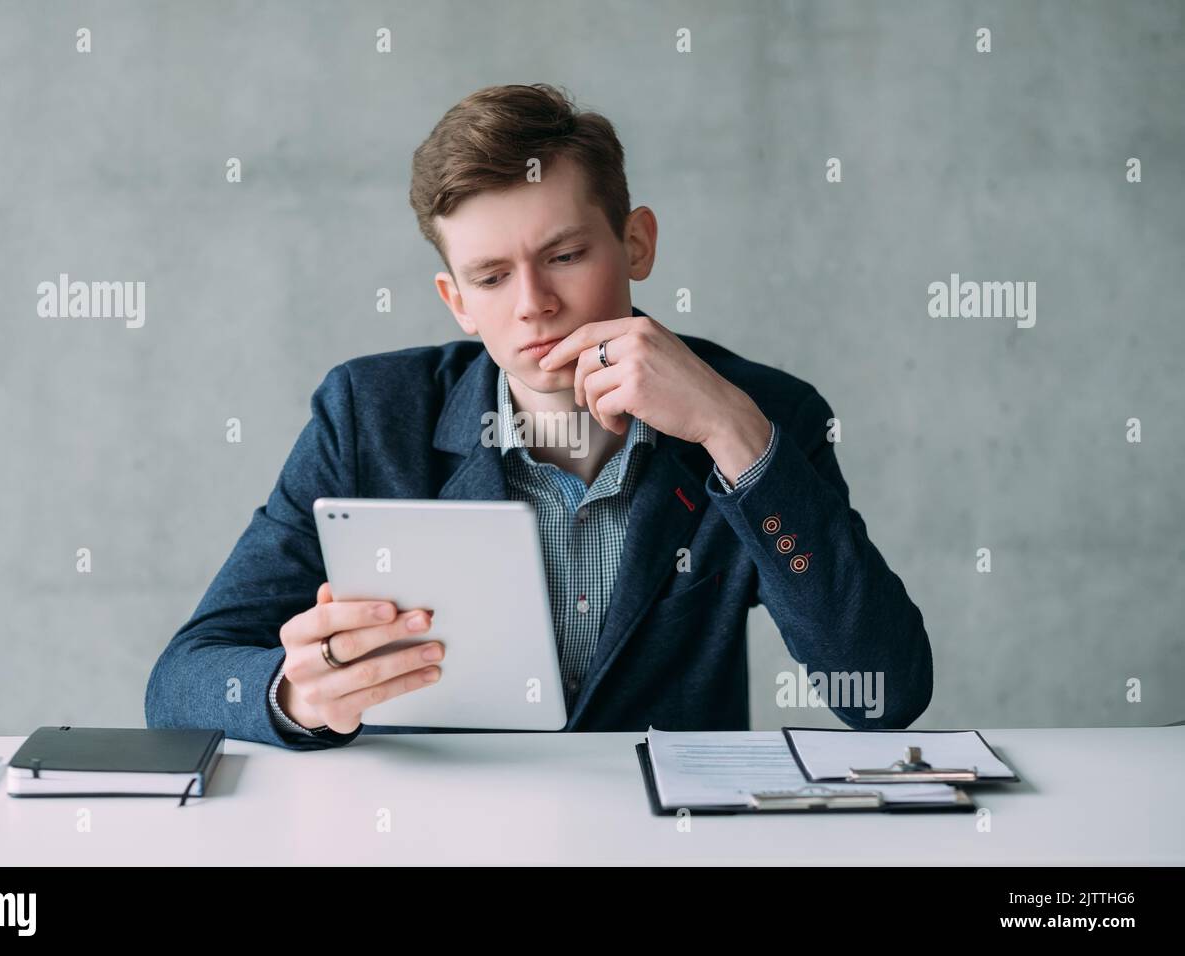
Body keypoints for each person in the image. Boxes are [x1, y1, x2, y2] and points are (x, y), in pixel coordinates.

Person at [145, 83, 933, 749]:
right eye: (491, 277)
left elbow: (884, 693)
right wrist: (294, 695)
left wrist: (734, 435)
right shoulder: (367, 414)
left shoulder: (764, 413)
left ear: (637, 243)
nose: (535, 307)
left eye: (564, 256)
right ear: (456, 301)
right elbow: (180, 680)